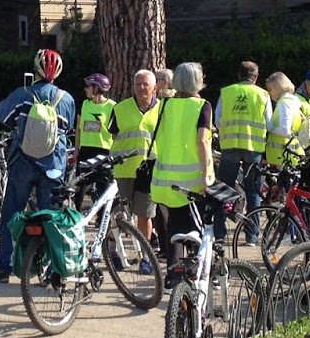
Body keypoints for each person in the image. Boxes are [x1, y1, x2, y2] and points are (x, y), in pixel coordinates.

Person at [0, 48, 79, 282]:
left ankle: (4, 266)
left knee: (12, 212)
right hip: (53, 165)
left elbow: (2, 115)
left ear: (36, 69)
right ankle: (51, 269)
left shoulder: (22, 94)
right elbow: (68, 127)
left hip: (22, 161)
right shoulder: (66, 99)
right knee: (51, 217)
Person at [148, 62, 214, 282]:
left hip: (163, 181)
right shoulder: (202, 106)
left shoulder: (164, 105)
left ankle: (173, 274)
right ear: (197, 80)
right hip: (191, 182)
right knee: (200, 229)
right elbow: (202, 141)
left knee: (174, 227)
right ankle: (200, 272)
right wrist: (206, 176)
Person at [215, 61, 269, 230]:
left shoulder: (226, 92)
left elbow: (217, 119)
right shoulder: (263, 95)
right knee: (253, 191)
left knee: (224, 190)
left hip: (229, 146)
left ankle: (219, 231)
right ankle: (252, 234)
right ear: (256, 77)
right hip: (253, 148)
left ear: (239, 75)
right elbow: (269, 122)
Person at [110, 69, 162, 246]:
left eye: (145, 84)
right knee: (118, 214)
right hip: (123, 169)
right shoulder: (120, 108)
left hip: (149, 170)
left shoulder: (163, 110)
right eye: (137, 84)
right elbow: (114, 136)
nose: (141, 88)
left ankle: (145, 258)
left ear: (155, 87)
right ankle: (113, 249)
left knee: (145, 214)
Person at [263, 72, 304, 169]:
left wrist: (269, 127)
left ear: (277, 86)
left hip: (282, 157)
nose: (269, 93)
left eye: (270, 89)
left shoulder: (284, 103)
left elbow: (284, 130)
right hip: (290, 154)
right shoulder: (293, 103)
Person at [75, 73, 115, 156]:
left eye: (88, 87)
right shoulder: (84, 104)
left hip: (104, 150)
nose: (85, 89)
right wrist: (76, 150)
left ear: (96, 88)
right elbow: (78, 129)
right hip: (85, 150)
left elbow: (115, 132)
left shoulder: (112, 106)